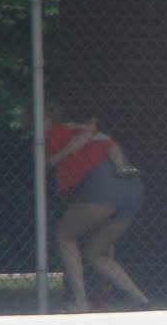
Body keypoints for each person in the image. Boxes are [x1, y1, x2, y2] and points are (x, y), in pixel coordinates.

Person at [43, 100, 152, 312]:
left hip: (103, 187)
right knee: (96, 252)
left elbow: (50, 162)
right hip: (132, 189)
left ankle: (81, 302)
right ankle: (141, 299)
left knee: (65, 235)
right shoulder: (87, 133)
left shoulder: (53, 132)